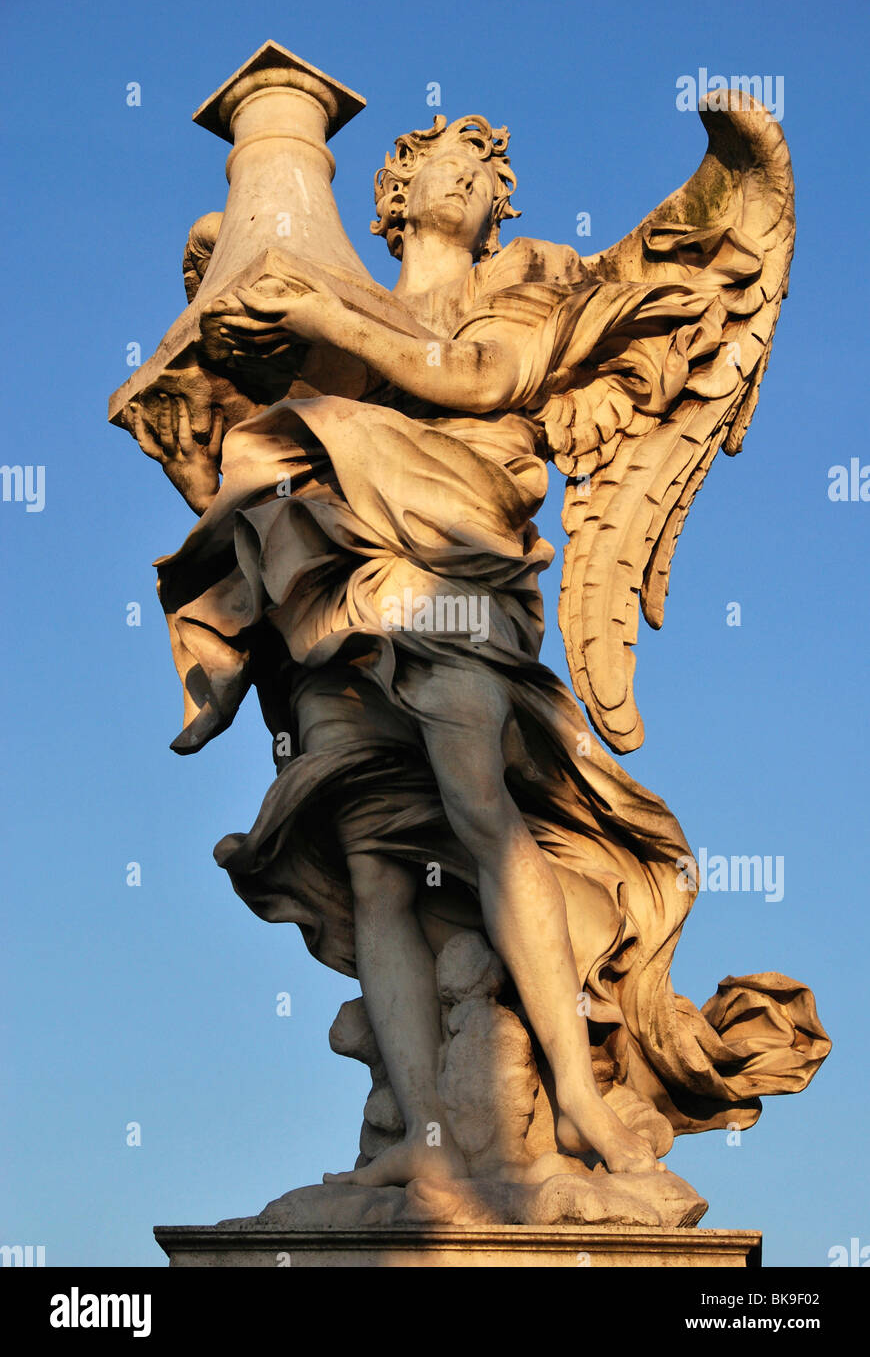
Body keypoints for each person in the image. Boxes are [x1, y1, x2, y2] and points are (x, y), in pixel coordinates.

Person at [139, 116, 828, 1186]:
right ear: (393, 195)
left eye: (486, 175)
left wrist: (327, 318)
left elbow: (480, 378)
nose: (473, 182)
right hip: (342, 601)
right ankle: (421, 1145)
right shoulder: (339, 308)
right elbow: (266, 466)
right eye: (447, 166)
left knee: (478, 803)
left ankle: (584, 1097)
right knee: (374, 862)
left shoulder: (523, 283)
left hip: (458, 581)